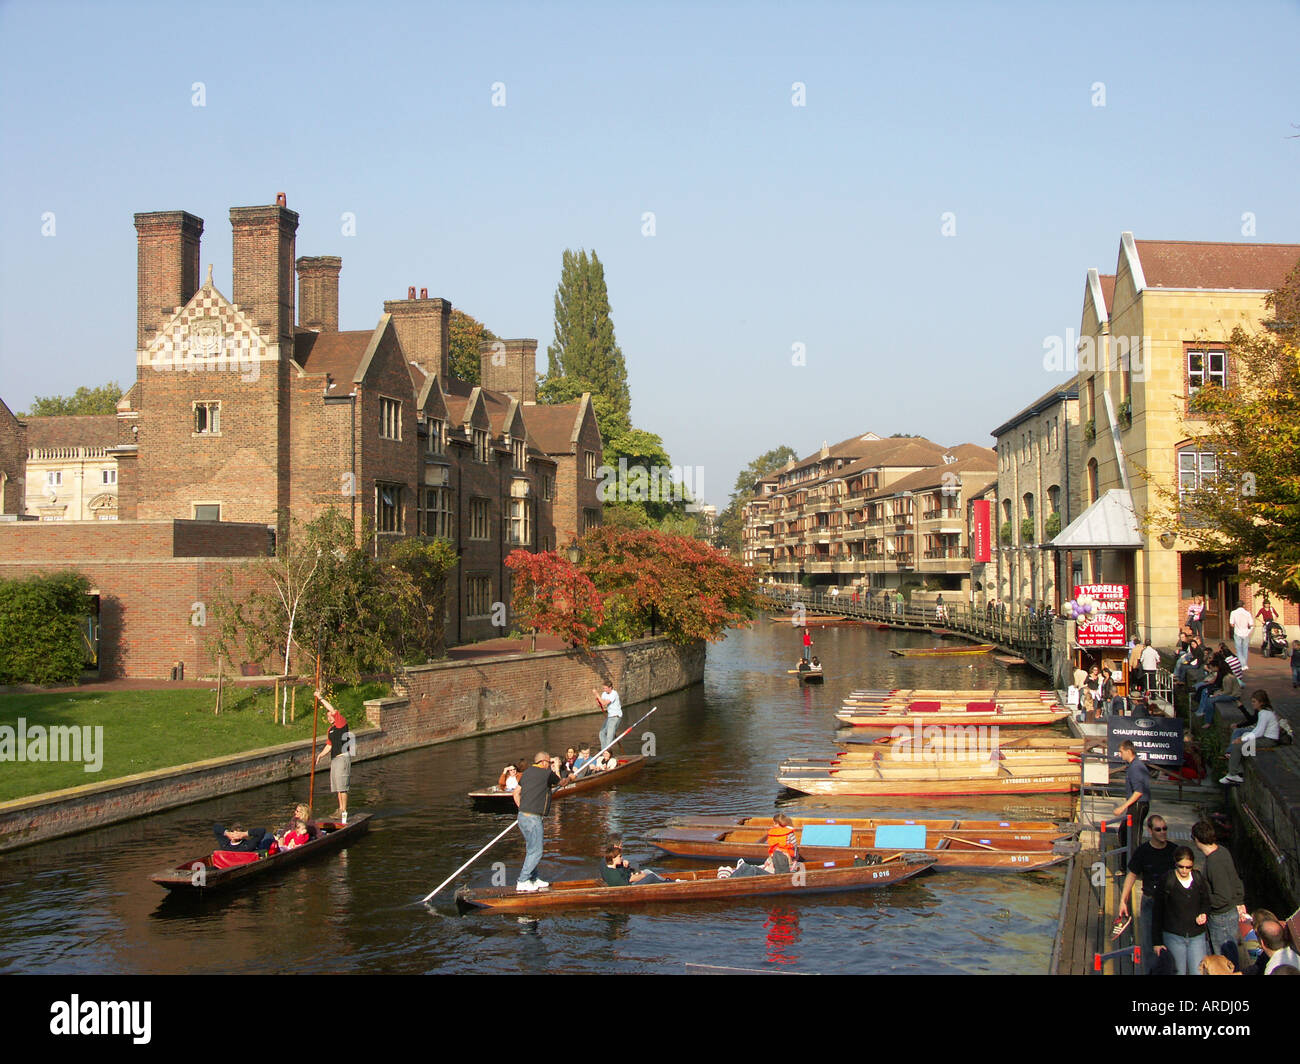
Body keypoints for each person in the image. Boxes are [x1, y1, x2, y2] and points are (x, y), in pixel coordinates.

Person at [1117, 814, 1177, 973]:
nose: (1163, 832)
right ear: (1150, 831)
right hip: (1150, 901)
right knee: (1149, 946)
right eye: (1158, 829)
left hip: (1170, 904)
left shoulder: (1174, 850)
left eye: (1165, 829)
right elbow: (1131, 875)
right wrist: (1123, 900)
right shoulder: (1143, 851)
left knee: (1171, 943)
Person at [1191, 819, 1246, 967]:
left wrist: (1203, 904)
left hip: (1221, 919)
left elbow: (1223, 897)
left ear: (1197, 840)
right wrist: (1240, 900)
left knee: (1223, 962)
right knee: (1231, 959)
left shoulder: (1214, 863)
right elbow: (1236, 880)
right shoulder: (1222, 851)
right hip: (1229, 914)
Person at [1151, 847, 1211, 975]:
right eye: (1181, 866)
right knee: (1178, 972)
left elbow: (1206, 901)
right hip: (1173, 936)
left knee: (1198, 972)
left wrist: (1203, 913)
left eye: (1188, 867)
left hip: (1197, 936)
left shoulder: (1198, 879)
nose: (1184, 870)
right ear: (1175, 863)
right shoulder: (1167, 880)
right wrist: (1157, 942)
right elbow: (1157, 911)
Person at [513, 750, 560, 892]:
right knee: (537, 851)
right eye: (550, 762)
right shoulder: (547, 773)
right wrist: (562, 771)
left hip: (522, 816)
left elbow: (516, 793)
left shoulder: (526, 773)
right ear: (544, 762)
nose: (550, 764)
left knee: (531, 849)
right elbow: (561, 782)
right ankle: (522, 880)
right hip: (533, 818)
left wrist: (524, 809)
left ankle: (533, 878)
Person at [1221, 690, 1281, 784]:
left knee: (1238, 746)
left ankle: (1233, 774)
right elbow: (1257, 730)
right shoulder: (1264, 712)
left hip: (1268, 740)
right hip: (1265, 738)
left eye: (1254, 702)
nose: (1252, 704)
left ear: (1261, 703)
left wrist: (1242, 739)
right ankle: (1237, 773)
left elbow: (1259, 732)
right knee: (1239, 744)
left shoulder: (1264, 713)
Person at [313, 694, 353, 823]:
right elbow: (329, 745)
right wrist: (320, 755)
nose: (328, 718)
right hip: (335, 759)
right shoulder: (330, 729)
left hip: (342, 757)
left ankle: (344, 810)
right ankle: (340, 808)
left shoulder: (341, 723)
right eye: (327, 717)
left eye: (329, 716)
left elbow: (333, 710)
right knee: (337, 786)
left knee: (342, 786)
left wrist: (320, 698)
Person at [1113, 740, 1151, 856]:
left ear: (1129, 751)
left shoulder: (1136, 767)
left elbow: (1138, 792)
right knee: (1123, 832)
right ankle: (1125, 864)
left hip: (1139, 804)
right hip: (1135, 804)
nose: (1120, 754)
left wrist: (1122, 807)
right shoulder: (1133, 766)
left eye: (1121, 752)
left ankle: (1135, 868)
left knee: (1134, 837)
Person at [600, 843, 667, 885]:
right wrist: (641, 876)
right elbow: (627, 881)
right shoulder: (613, 872)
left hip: (629, 879)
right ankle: (668, 884)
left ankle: (667, 881)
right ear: (613, 858)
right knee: (651, 876)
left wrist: (632, 872)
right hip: (631, 887)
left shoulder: (613, 866)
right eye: (620, 857)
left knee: (647, 871)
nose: (622, 858)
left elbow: (626, 874)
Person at [595, 681, 623, 753]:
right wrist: (598, 701)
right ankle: (604, 751)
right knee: (601, 733)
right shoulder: (604, 693)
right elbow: (600, 704)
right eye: (603, 688)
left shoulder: (614, 693)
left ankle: (607, 752)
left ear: (610, 688)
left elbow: (604, 703)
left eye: (605, 688)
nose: (604, 690)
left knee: (609, 736)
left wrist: (597, 695)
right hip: (609, 717)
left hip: (616, 717)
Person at [1228, 600, 1253, 671]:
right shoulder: (1247, 613)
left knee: (1238, 649)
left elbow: (1231, 624)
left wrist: (1236, 625)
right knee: (1245, 648)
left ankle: (1242, 664)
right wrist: (1249, 631)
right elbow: (1251, 624)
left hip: (1237, 632)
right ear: (1243, 605)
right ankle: (1244, 664)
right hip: (1245, 632)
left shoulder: (1233, 613)